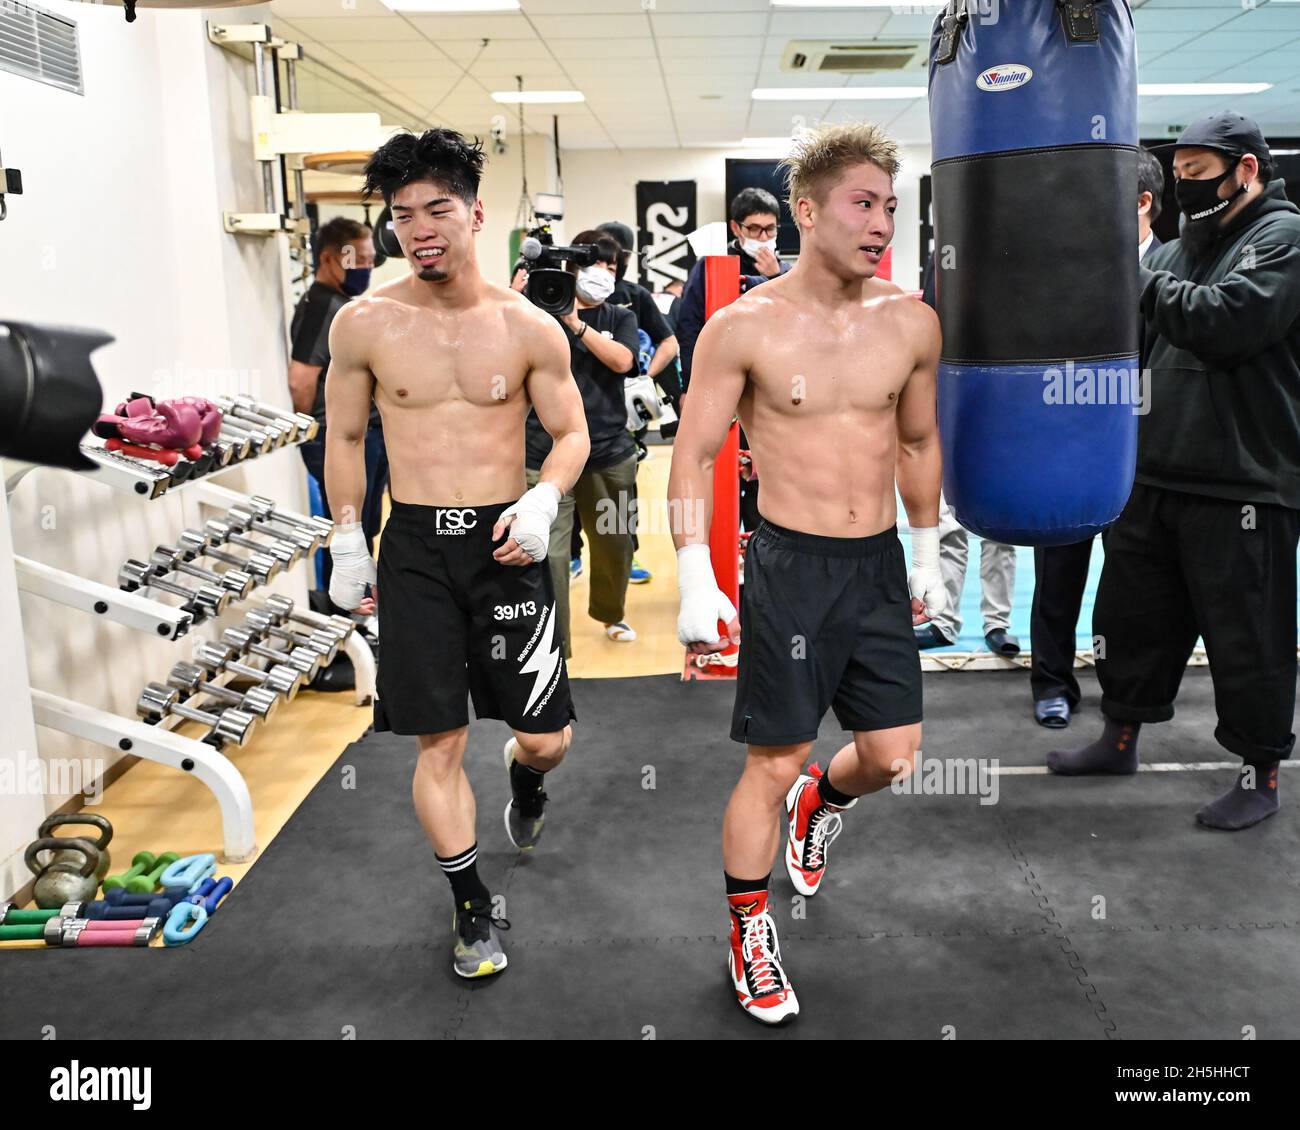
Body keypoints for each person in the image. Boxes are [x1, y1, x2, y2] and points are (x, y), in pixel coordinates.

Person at [669, 123, 945, 1025]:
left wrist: (932, 545)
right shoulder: (741, 326)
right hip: (788, 566)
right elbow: (695, 449)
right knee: (774, 758)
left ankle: (820, 805)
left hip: (874, 567)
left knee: (893, 757)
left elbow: (915, 438)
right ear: (807, 209)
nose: (881, 224)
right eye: (864, 204)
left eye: (891, 207)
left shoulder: (910, 321)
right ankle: (748, 937)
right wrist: (692, 570)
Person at [324, 128, 590, 977]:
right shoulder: (363, 322)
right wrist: (345, 538)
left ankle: (525, 773)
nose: (420, 227)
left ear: (476, 214)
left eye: (438, 207)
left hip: (504, 544)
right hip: (413, 553)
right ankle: (472, 906)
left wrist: (544, 497)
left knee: (545, 737)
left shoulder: (527, 326)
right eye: (403, 214)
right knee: (434, 740)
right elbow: (342, 433)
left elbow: (574, 433)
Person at [1049, 111, 1300, 832]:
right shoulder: (1174, 252)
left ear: (1245, 170)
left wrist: (1127, 274)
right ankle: (1119, 738)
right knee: (1130, 622)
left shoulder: (1281, 239)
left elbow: (1225, 322)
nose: (1186, 190)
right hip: (1155, 474)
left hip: (1245, 483)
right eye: (1179, 176)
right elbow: (1126, 334)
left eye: (1198, 176)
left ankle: (1259, 774)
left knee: (1248, 640)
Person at [1029, 147, 1165, 727]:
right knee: (1058, 576)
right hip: (1069, 446)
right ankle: (1051, 683)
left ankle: (1126, 697)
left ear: (1142, 203)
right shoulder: (1068, 267)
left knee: (1131, 586)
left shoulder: (1177, 267)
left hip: (1145, 454)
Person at [525, 230, 641, 652]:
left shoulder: (619, 317)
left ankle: (611, 613)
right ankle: (555, 642)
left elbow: (624, 360)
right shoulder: (536, 315)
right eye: (595, 265)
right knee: (550, 553)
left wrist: (575, 324)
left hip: (608, 452)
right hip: (545, 453)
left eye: (611, 267)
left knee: (615, 545)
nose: (603, 274)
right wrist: (517, 294)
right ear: (570, 269)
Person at [289, 218, 388, 600]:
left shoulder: (341, 305)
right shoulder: (320, 305)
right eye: (356, 260)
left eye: (369, 261)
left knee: (366, 526)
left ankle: (358, 607)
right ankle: (343, 611)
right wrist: (318, 437)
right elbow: (301, 380)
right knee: (349, 531)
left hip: (368, 435)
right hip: (338, 437)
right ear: (329, 259)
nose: (365, 268)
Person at [675, 186, 790, 392]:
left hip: (772, 378)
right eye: (754, 228)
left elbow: (796, 324)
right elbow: (689, 327)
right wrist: (690, 386)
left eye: (770, 228)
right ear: (736, 228)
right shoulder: (713, 265)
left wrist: (775, 278)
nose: (764, 237)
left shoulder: (787, 271)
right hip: (722, 374)